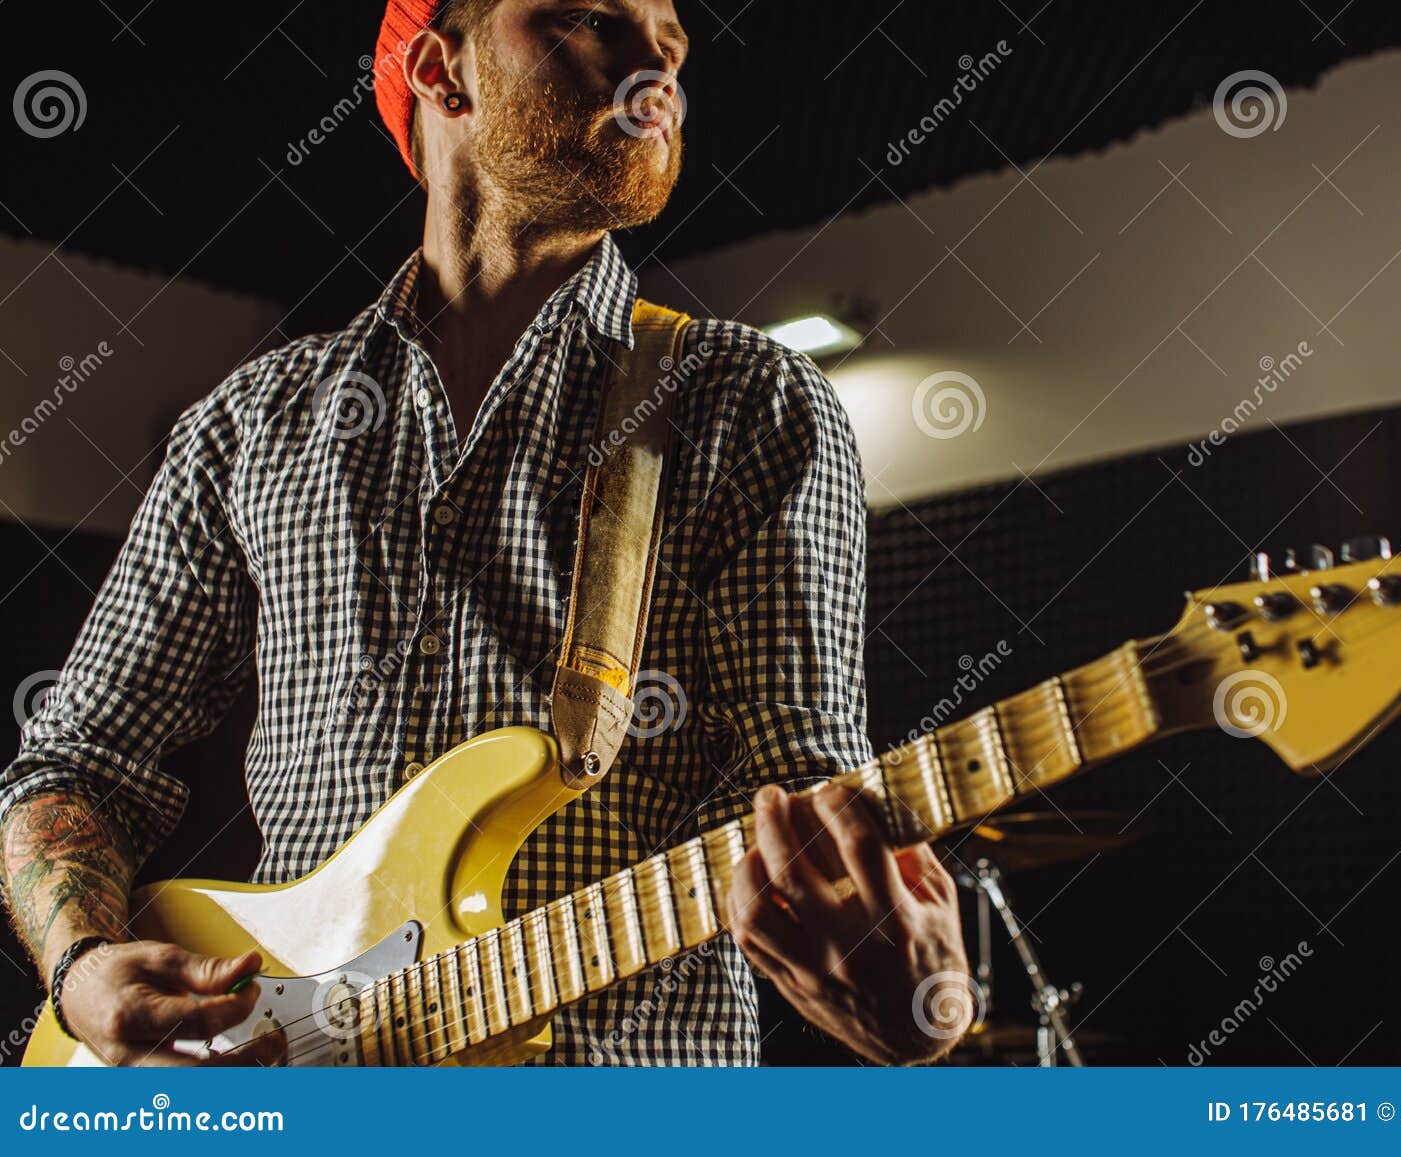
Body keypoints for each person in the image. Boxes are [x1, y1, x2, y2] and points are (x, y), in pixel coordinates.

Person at [0, 0, 971, 1067]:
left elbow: (808, 796)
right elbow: (76, 763)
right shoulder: (249, 424)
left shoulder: (744, 399)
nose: (657, 62)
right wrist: (83, 963)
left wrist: (911, 991)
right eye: (594, 20)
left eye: (672, 40)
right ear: (440, 69)